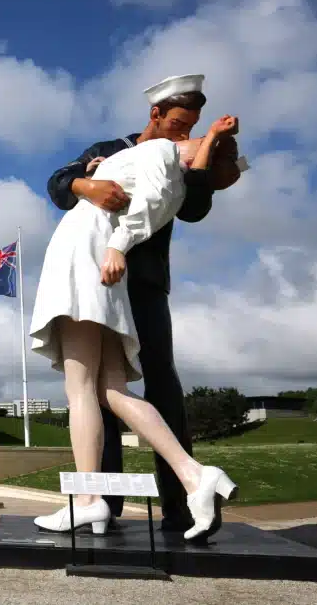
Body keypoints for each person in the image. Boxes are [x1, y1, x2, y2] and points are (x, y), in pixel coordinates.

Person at [30, 118, 244, 542]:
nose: (188, 138)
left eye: (196, 138)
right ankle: (192, 474)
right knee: (111, 391)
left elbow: (145, 206)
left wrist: (116, 244)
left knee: (82, 389)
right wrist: (93, 175)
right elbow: (66, 182)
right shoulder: (154, 157)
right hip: (106, 267)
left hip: (86, 259)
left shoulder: (164, 154)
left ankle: (91, 501)